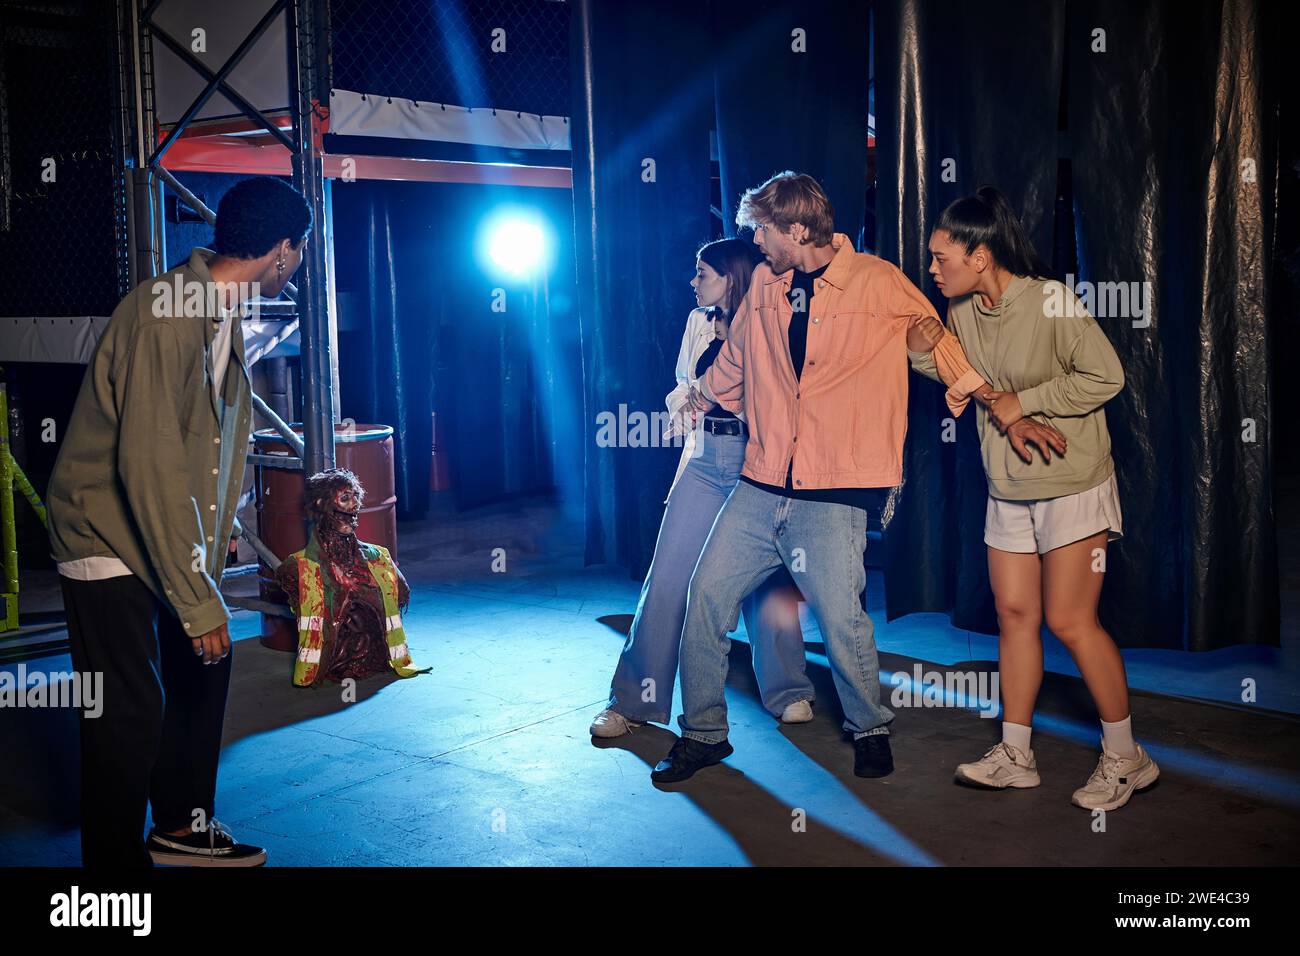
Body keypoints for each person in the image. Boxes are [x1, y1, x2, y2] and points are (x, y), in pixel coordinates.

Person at [652, 172, 1065, 783]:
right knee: (707, 595)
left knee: (841, 617)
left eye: (761, 230)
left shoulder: (878, 281)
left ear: (795, 229)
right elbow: (736, 364)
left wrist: (1003, 409)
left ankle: (869, 726)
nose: (755, 242)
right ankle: (705, 733)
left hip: (835, 485)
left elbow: (942, 347)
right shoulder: (765, 284)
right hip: (762, 480)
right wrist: (694, 395)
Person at [46, 176, 311, 866]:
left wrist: (215, 528)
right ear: (282, 250)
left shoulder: (214, 309)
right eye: (300, 249)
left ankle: (182, 826)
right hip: (105, 535)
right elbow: (151, 464)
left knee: (205, 666)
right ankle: (110, 880)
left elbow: (195, 441)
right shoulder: (169, 315)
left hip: (160, 532)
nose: (298, 261)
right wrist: (197, 600)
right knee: (125, 709)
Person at [911, 185, 1158, 811]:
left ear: (982, 255)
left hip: (1072, 482)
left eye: (943, 257)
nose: (933, 268)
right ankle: (1017, 754)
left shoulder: (1051, 301)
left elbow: (1106, 376)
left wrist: (1028, 400)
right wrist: (925, 351)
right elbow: (944, 362)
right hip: (1007, 485)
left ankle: (1128, 757)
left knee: (1071, 621)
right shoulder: (963, 311)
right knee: (1015, 616)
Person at [590, 239, 815, 738]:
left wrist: (730, 349)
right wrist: (696, 390)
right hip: (705, 457)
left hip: (757, 458)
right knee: (668, 576)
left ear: (732, 277)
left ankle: (790, 691)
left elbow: (773, 398)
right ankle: (632, 700)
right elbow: (681, 386)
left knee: (767, 579)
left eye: (703, 274)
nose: (693, 283)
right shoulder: (698, 322)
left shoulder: (774, 316)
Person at [277, 468, 428, 687]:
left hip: (379, 667)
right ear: (321, 504)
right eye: (345, 498)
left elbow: (402, 595)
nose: (355, 505)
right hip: (326, 672)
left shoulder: (379, 559)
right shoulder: (298, 567)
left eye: (356, 497)